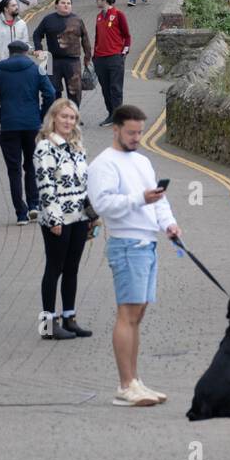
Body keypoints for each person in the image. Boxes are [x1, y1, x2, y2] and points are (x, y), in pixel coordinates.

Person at [86, 104, 180, 407]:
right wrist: (140, 199)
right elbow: (103, 204)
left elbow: (158, 199)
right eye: (131, 132)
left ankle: (135, 381)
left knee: (137, 316)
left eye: (140, 132)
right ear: (116, 129)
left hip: (147, 243)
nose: (136, 137)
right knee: (127, 315)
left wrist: (169, 224)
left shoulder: (142, 161)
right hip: (126, 244)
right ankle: (125, 386)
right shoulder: (104, 165)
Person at [34, 98, 96, 340]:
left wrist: (91, 214)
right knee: (54, 268)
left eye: (72, 117)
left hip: (79, 216)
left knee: (72, 268)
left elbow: (85, 181)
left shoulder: (77, 145)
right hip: (57, 218)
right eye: (64, 117)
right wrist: (54, 219)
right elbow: (45, 184)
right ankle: (48, 325)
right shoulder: (45, 147)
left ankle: (69, 319)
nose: (69, 121)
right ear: (53, 118)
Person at [0, 40, 55, 226]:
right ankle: (33, 205)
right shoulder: (36, 69)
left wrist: (0, 116)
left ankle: (20, 214)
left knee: (13, 170)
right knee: (31, 165)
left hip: (9, 127)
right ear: (25, 52)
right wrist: (40, 115)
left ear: (10, 52)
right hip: (32, 126)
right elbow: (50, 93)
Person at [32, 0, 93, 108]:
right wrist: (38, 49)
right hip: (51, 61)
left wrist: (87, 57)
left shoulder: (77, 20)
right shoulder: (48, 20)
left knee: (75, 91)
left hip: (73, 61)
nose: (66, 5)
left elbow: (85, 39)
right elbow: (37, 34)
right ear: (56, 6)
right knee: (52, 91)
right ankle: (55, 115)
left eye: (69, 3)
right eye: (63, 3)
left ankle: (74, 115)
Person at [92, 0, 131, 126]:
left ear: (105, 0)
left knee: (116, 88)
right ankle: (111, 114)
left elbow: (127, 36)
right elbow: (97, 37)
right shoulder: (98, 17)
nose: (96, 1)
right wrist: (94, 55)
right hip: (100, 58)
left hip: (115, 57)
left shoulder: (118, 14)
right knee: (105, 88)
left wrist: (123, 53)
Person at [0, 0, 29, 73]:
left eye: (16, 5)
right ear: (6, 9)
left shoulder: (22, 24)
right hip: (2, 64)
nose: (17, 7)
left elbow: (25, 44)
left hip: (19, 64)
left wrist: (34, 52)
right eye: (13, 6)